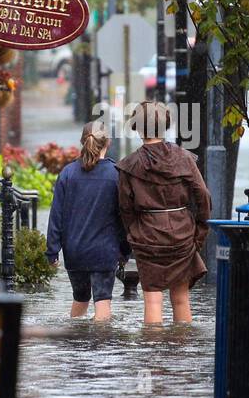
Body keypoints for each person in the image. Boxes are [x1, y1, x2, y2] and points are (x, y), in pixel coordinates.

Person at [116, 101, 211, 325]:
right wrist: (199, 233)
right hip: (182, 234)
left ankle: (152, 353)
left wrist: (135, 233)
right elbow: (203, 196)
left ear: (138, 129)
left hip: (147, 237)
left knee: (152, 301)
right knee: (181, 298)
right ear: (166, 126)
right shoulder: (185, 159)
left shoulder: (129, 166)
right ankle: (182, 352)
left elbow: (125, 208)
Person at [46, 121, 128, 321]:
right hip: (104, 250)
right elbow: (124, 217)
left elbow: (57, 215)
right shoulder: (116, 174)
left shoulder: (68, 173)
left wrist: (52, 250)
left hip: (75, 251)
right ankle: (100, 346)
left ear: (83, 142)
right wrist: (125, 251)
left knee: (80, 299)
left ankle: (76, 341)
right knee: (102, 300)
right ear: (107, 142)